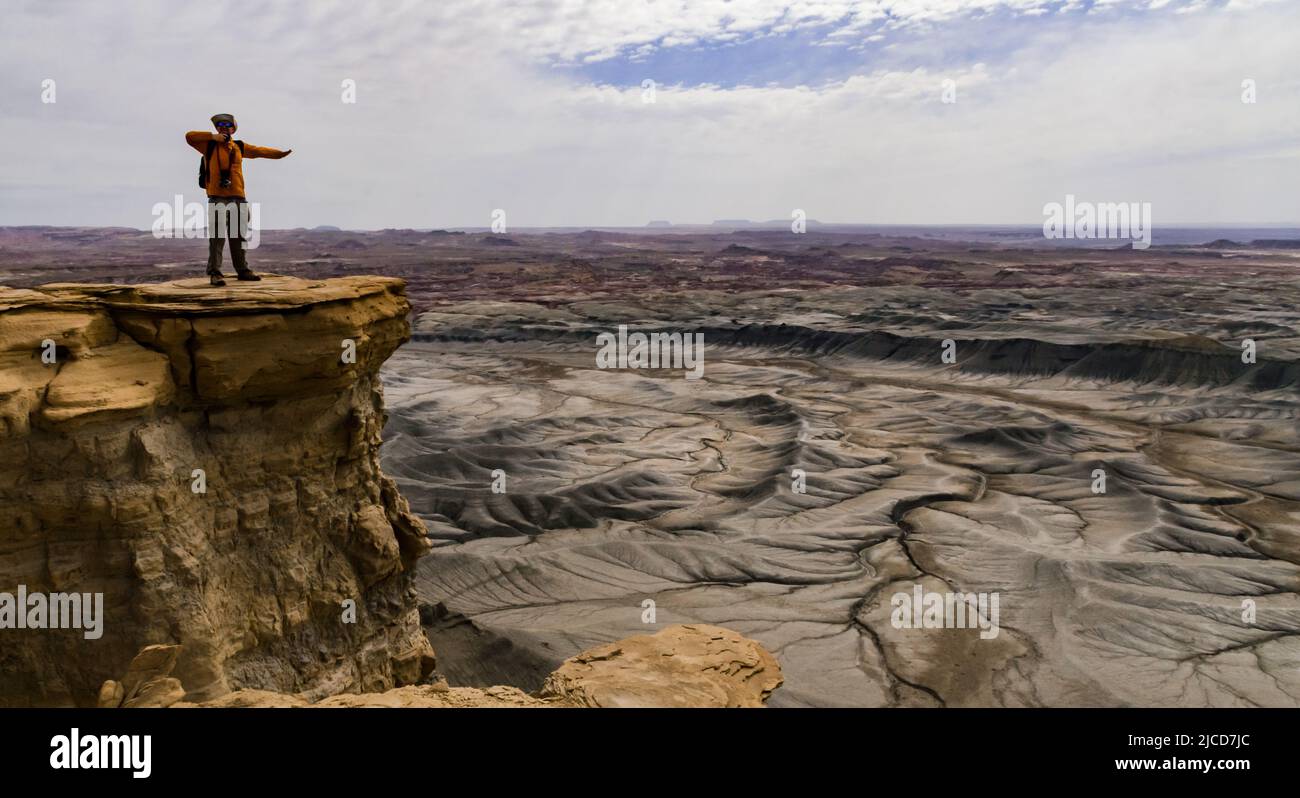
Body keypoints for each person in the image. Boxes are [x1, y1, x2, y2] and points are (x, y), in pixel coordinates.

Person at [185, 114, 292, 286]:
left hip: (238, 198)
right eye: (220, 125)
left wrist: (279, 154)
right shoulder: (209, 145)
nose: (223, 127)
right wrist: (213, 137)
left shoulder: (239, 147)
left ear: (234, 128)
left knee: (239, 237)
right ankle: (215, 273)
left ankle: (243, 270)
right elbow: (189, 136)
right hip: (217, 198)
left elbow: (258, 151)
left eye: (227, 125)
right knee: (217, 238)